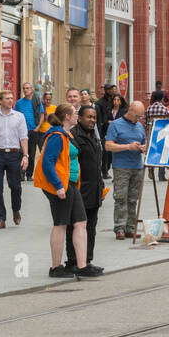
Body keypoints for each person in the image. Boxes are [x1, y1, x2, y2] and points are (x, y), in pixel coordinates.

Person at [33, 104, 102, 280]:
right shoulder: (56, 135)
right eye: (75, 113)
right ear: (67, 117)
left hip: (70, 183)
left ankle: (82, 265)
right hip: (61, 185)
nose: (77, 115)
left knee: (80, 222)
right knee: (61, 224)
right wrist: (57, 186)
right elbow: (47, 162)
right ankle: (55, 267)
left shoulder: (67, 134)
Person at [66, 106, 106, 274]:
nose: (92, 120)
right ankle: (73, 261)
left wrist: (101, 185)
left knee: (91, 227)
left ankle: (87, 260)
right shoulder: (74, 136)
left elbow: (97, 164)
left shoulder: (94, 136)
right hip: (80, 189)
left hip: (94, 189)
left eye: (94, 117)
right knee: (75, 226)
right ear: (80, 118)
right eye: (89, 117)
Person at [0, 89, 28, 230]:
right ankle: (1, 219)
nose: (10, 100)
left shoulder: (19, 116)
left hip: (14, 154)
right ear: (0, 101)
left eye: (11, 98)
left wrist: (26, 156)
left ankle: (16, 209)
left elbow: (23, 137)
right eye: (7, 98)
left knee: (15, 186)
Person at [105, 101, 146, 239]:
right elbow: (108, 146)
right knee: (121, 198)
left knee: (133, 199)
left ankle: (130, 228)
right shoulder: (115, 125)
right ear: (130, 111)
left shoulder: (139, 126)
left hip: (137, 166)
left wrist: (143, 147)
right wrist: (128, 147)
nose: (139, 119)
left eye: (141, 117)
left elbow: (144, 141)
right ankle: (119, 228)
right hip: (121, 166)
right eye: (137, 116)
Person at [14, 82, 43, 181]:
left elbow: (42, 115)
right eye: (24, 88)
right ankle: (21, 173)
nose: (25, 90)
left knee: (31, 153)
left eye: (27, 88)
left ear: (31, 90)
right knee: (21, 153)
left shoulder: (37, 101)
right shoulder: (19, 102)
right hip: (22, 131)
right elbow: (15, 115)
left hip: (33, 130)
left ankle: (29, 174)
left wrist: (38, 127)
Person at [144, 89, 169, 182]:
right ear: (162, 98)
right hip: (162, 134)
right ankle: (161, 174)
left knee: (152, 151)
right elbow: (168, 123)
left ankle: (151, 169)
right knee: (162, 152)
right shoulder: (165, 109)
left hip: (151, 133)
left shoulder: (149, 108)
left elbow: (146, 122)